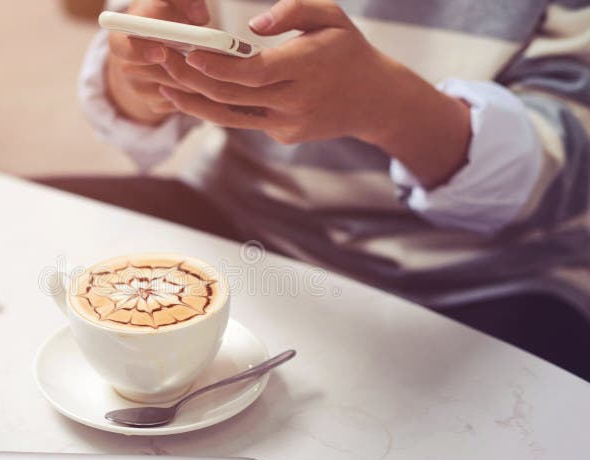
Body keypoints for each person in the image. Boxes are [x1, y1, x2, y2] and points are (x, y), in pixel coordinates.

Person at [46, 0, 590, 375]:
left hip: (484, 277)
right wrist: (143, 74)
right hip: (240, 215)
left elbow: (565, 174)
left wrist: (392, 108)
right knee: (32, 251)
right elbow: (135, 96)